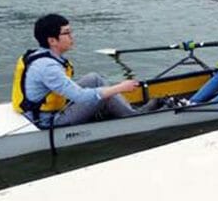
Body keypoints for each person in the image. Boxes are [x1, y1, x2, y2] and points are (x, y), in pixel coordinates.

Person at [12, 14, 160, 128]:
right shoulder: (48, 68)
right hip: (50, 120)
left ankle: (123, 109)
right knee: (105, 94)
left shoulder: (40, 55)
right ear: (52, 40)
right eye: (67, 33)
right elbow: (81, 97)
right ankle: (134, 116)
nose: (72, 37)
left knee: (94, 78)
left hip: (46, 109)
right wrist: (120, 88)